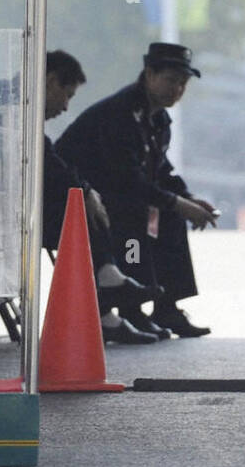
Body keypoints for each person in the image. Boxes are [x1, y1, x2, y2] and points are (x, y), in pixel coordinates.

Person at [56, 42, 218, 338]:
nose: (177, 89)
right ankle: (133, 307)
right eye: (170, 80)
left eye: (182, 84)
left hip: (112, 194)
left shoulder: (157, 118)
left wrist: (188, 199)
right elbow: (127, 178)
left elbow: (161, 169)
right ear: (149, 74)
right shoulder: (121, 113)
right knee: (137, 211)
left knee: (169, 216)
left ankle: (166, 305)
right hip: (78, 197)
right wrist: (176, 203)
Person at [40, 50, 162, 345]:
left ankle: (113, 297)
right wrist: (86, 192)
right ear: (50, 81)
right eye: (66, 95)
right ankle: (111, 288)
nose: (66, 107)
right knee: (87, 209)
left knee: (97, 205)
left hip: (41, 206)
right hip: (23, 214)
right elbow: (50, 166)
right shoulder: (16, 113)